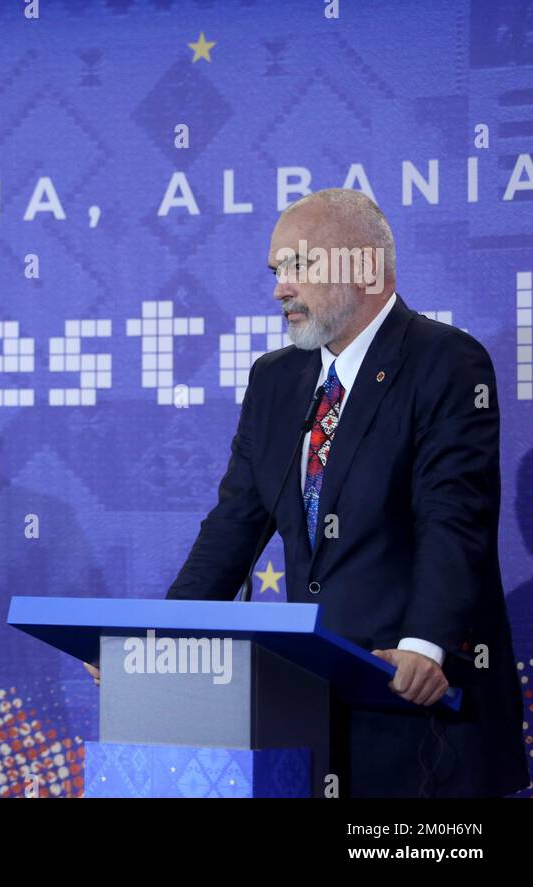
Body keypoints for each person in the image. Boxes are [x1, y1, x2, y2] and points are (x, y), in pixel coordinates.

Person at [160, 188, 527, 797]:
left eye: (298, 266)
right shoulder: (275, 379)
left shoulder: (446, 362)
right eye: (276, 271)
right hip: (311, 710)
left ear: (364, 267)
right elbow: (233, 525)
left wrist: (424, 643)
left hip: (420, 704)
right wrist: (160, 646)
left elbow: (452, 517)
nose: (280, 288)